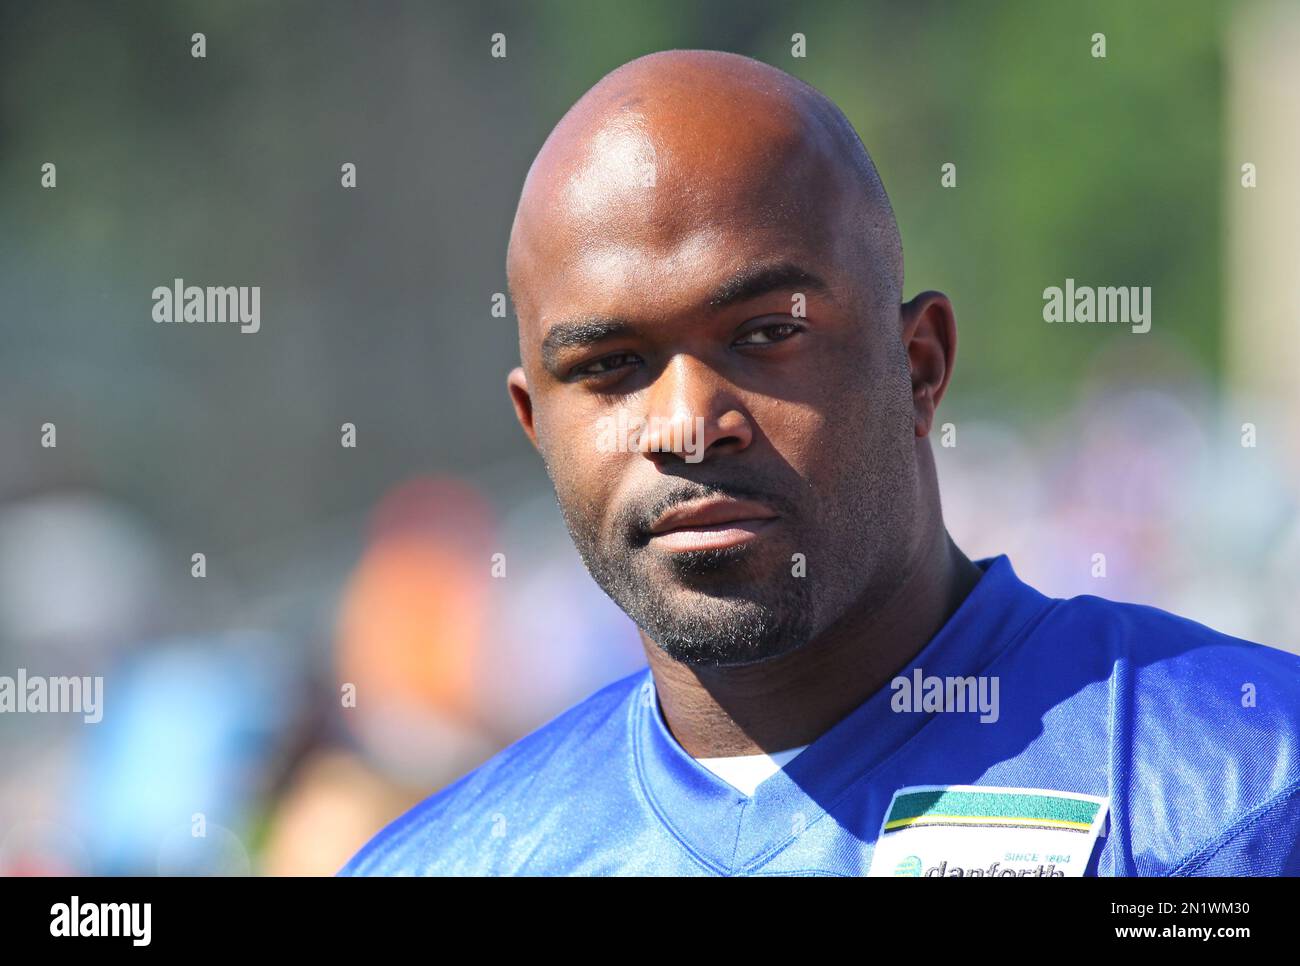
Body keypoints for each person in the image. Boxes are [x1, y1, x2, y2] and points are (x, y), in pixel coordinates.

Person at [339, 49, 1300, 876]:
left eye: (762, 333)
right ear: (535, 426)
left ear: (919, 366)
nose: (685, 424)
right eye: (610, 367)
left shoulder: (1240, 791)